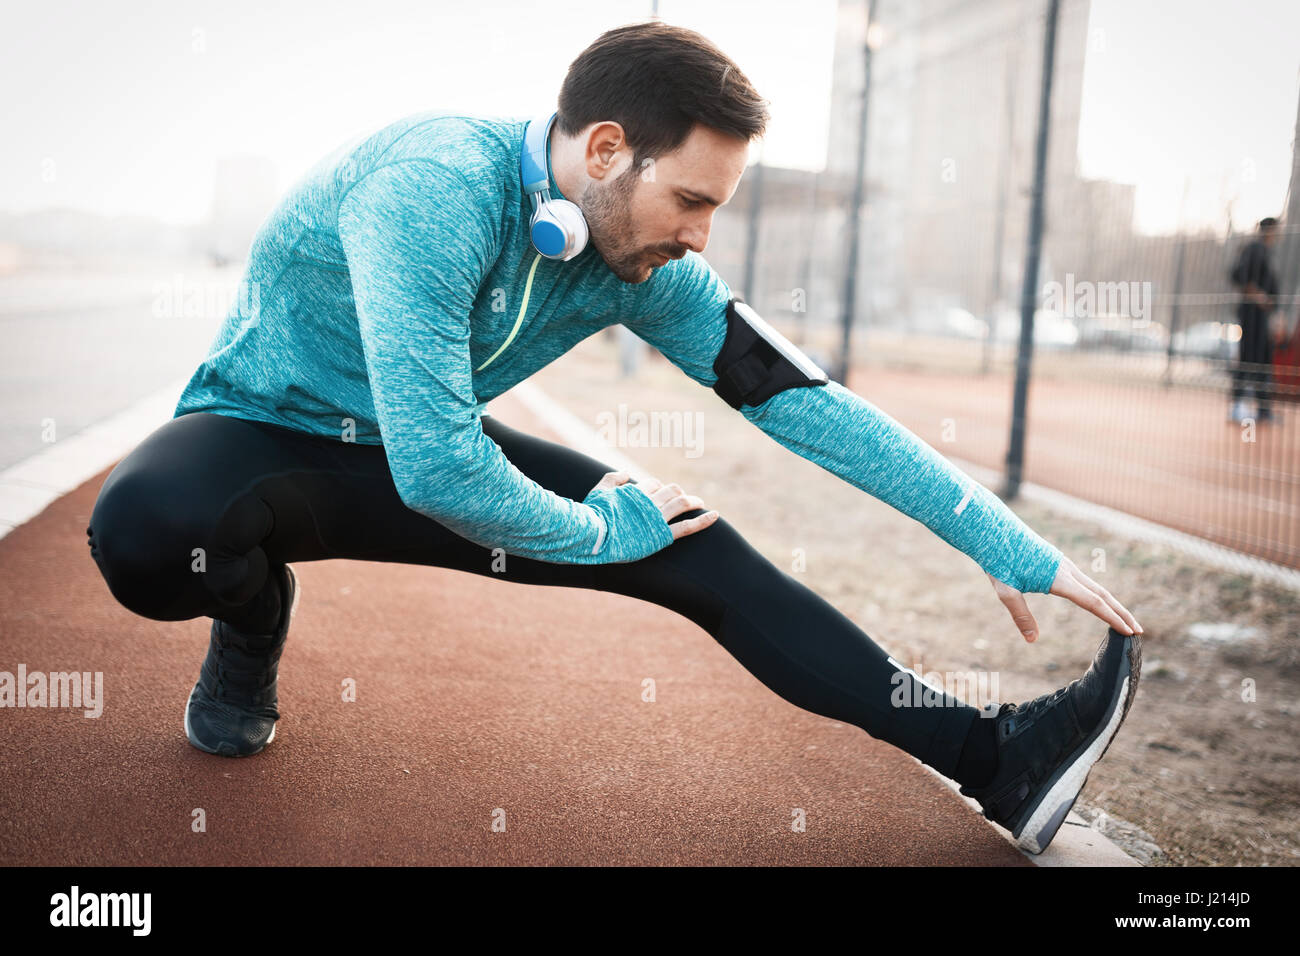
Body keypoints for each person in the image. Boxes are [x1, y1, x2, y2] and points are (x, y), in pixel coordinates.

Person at [85, 20, 1142, 855]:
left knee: (702, 545)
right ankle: (250, 630)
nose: (699, 236)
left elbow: (805, 399)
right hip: (259, 434)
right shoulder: (434, 185)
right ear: (604, 150)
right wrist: (603, 530)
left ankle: (997, 758)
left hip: (420, 444)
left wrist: (1002, 541)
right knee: (145, 532)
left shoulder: (648, 262)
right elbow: (441, 470)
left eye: (716, 209)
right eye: (689, 198)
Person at [1228, 217, 1282, 423]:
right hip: (1252, 314)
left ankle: (1263, 409)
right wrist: (1258, 296)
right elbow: (1238, 275)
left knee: (1263, 360)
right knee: (1248, 357)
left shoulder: (1270, 253)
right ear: (1269, 230)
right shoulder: (1254, 248)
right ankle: (1237, 405)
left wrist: (1276, 312)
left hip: (1265, 317)